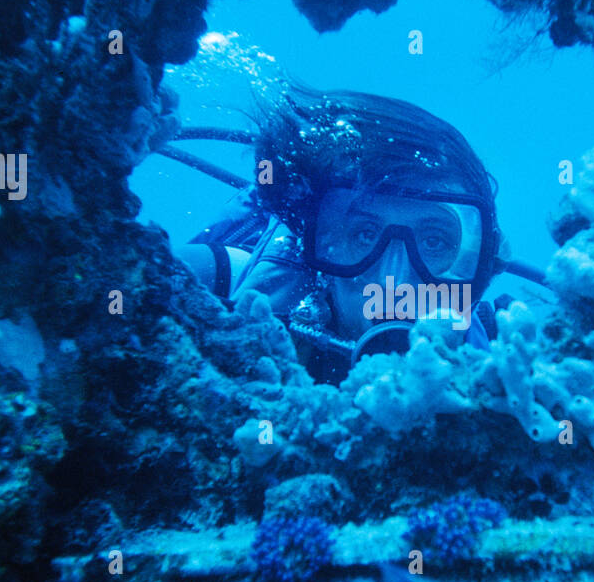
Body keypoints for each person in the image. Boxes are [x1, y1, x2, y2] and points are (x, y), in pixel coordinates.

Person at [171, 82, 544, 383]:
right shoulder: (210, 287)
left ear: (480, 265)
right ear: (314, 245)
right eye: (364, 235)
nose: (394, 286)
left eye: (434, 241)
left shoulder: (519, 358)